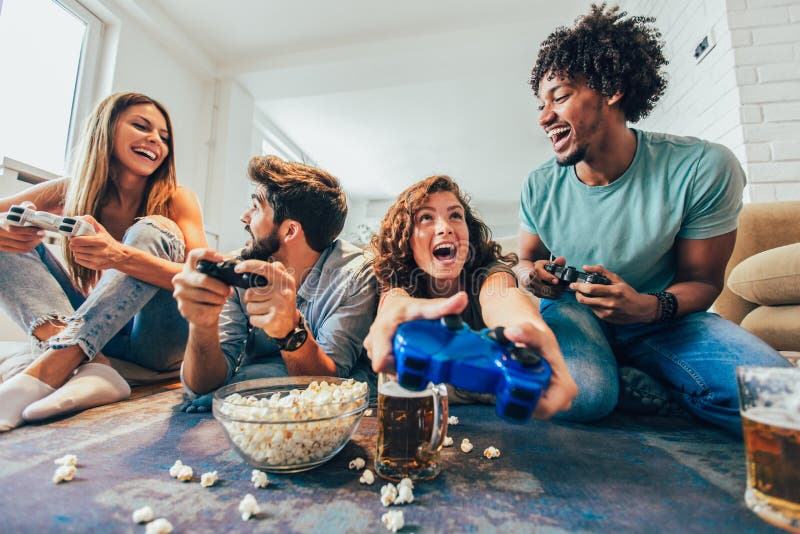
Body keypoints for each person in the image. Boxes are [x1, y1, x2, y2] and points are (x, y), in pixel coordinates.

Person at [516, 4, 791, 434]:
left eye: (561, 96)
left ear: (611, 89)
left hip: (663, 320)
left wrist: (645, 307)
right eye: (541, 103)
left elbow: (702, 281)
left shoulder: (703, 166)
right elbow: (524, 260)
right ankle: (636, 383)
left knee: (782, 399)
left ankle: (640, 383)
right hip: (574, 313)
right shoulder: (538, 185)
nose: (543, 117)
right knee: (586, 395)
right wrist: (531, 276)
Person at [0, 92, 207, 431]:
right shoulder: (71, 190)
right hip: (103, 331)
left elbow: (201, 278)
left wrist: (119, 256)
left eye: (164, 137)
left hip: (157, 341)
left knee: (156, 228)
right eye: (141, 126)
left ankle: (47, 371)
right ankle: (94, 365)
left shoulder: (177, 198)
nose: (155, 139)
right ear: (106, 131)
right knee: (3, 236)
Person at [172, 155, 377, 411]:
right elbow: (203, 386)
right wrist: (202, 325)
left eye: (256, 207)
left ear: (290, 230)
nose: (244, 217)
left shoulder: (356, 275)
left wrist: (290, 331)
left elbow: (330, 385)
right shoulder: (240, 267)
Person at [364, 175, 576, 418]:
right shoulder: (399, 280)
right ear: (407, 238)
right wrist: (394, 313)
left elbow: (504, 298)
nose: (445, 227)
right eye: (426, 218)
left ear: (468, 232)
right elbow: (394, 302)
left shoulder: (489, 273)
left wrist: (527, 330)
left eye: (455, 215)